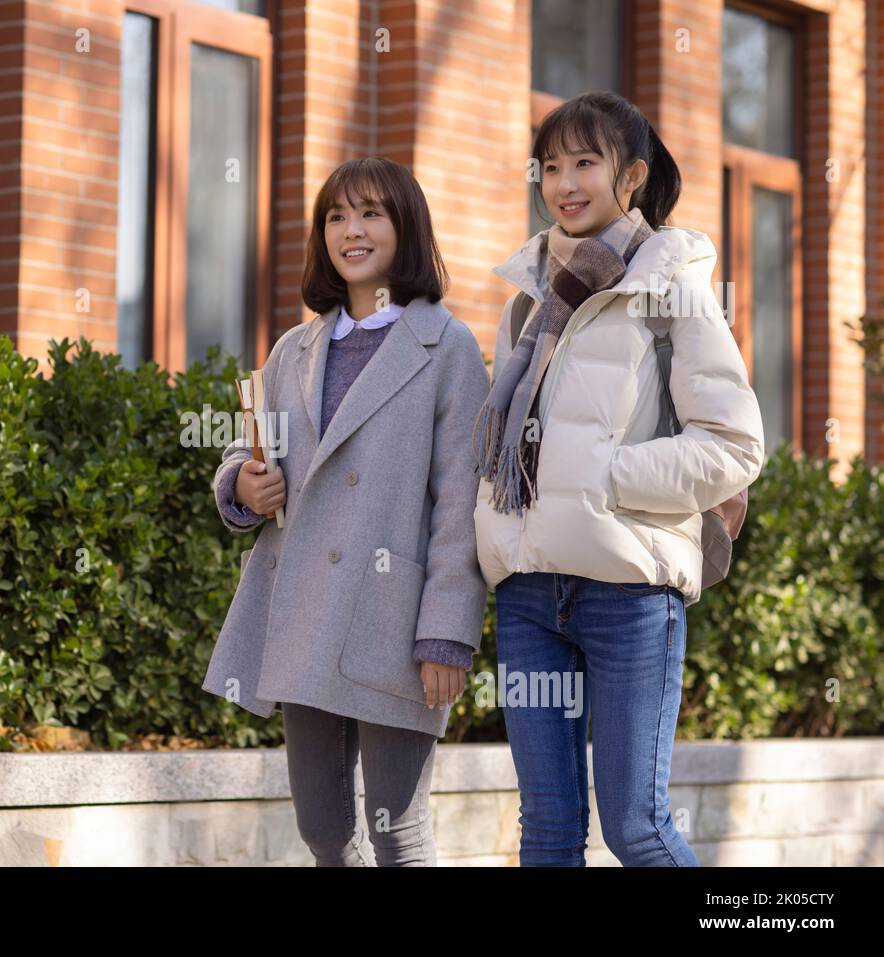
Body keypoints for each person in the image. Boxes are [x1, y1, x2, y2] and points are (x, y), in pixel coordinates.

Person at [473, 91, 765, 866]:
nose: (565, 183)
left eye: (586, 164)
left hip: (629, 593)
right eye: (552, 166)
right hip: (531, 593)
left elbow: (735, 443)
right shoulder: (525, 303)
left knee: (635, 827)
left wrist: (606, 477)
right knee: (548, 829)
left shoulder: (670, 286)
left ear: (630, 176)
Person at [202, 157, 489, 866]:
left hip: (395, 620)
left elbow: (462, 501)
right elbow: (248, 453)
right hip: (303, 613)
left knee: (397, 830)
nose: (350, 230)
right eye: (336, 215)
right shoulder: (293, 349)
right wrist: (243, 484)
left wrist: (447, 633)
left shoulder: (447, 346)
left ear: (405, 228)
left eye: (370, 213)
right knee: (324, 832)